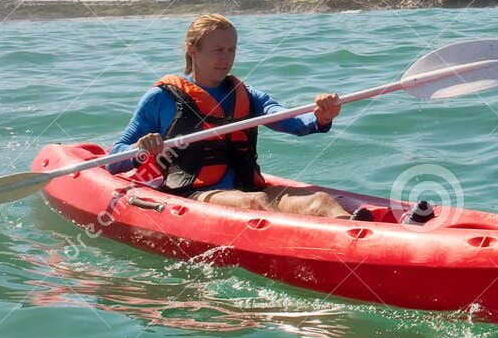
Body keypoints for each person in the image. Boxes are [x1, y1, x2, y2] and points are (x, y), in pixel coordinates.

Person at [110, 13, 363, 218]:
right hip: (195, 195)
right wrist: (142, 149)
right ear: (192, 50)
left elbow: (289, 120)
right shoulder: (162, 98)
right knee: (254, 202)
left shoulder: (247, 94)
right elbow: (114, 160)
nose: (226, 58)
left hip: (249, 188)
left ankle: (350, 240)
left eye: (231, 49)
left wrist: (322, 117)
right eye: (217, 50)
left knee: (321, 201)